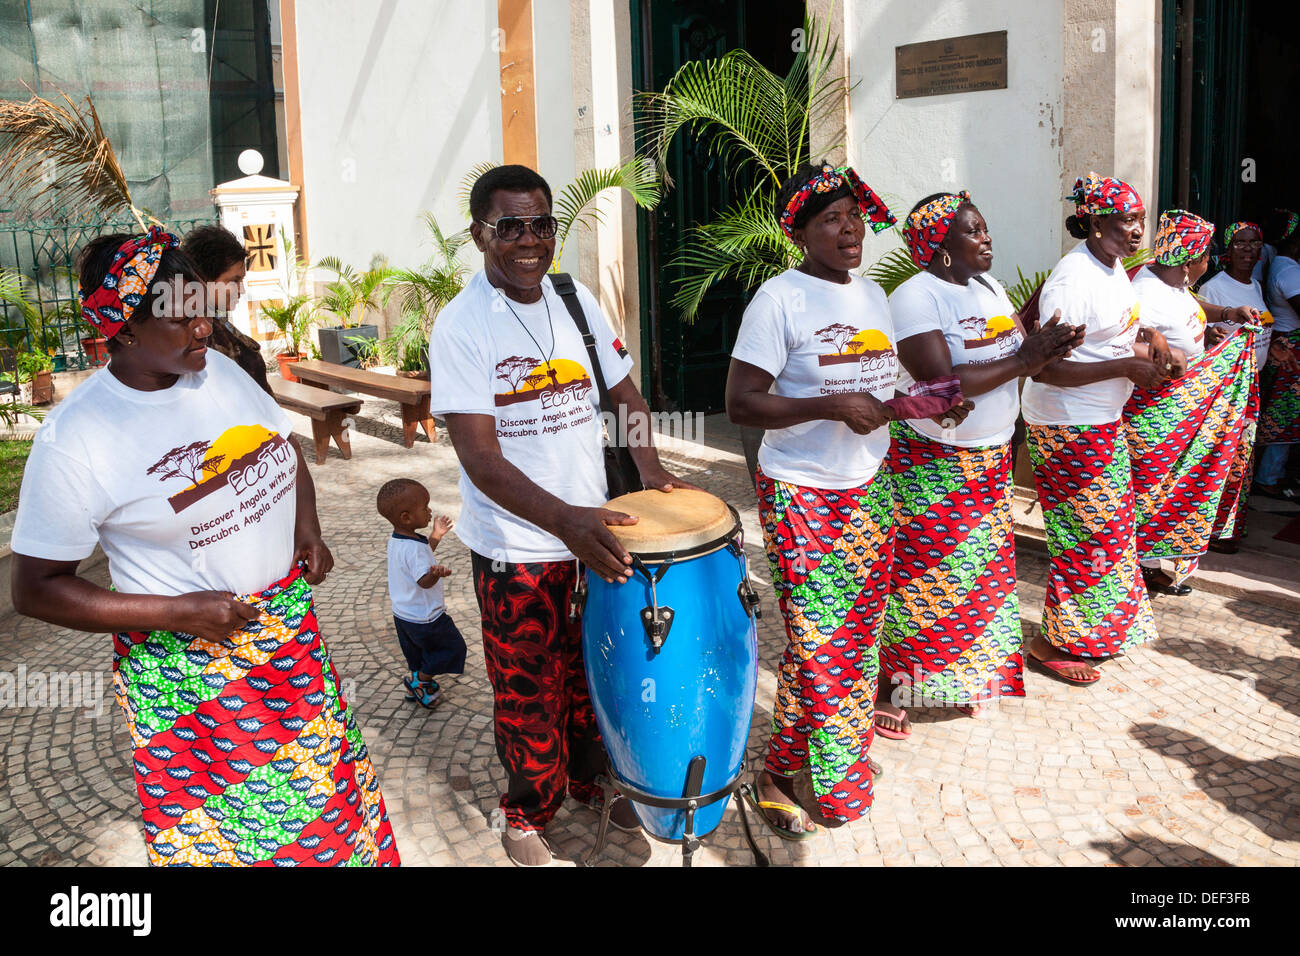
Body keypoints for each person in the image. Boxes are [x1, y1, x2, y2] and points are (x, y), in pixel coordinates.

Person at [9, 228, 398, 866]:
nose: (202, 330)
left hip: (288, 640)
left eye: (203, 310)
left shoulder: (217, 371)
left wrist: (307, 525)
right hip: (193, 674)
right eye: (181, 317)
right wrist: (177, 612)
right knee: (244, 841)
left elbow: (281, 445)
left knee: (335, 819)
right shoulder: (76, 439)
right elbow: (35, 589)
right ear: (123, 330)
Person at [427, 164, 690, 866]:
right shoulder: (461, 326)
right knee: (529, 687)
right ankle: (524, 811)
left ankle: (591, 779)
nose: (528, 240)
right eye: (508, 226)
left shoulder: (574, 300)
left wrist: (651, 468)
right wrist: (565, 521)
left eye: (541, 224)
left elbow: (626, 395)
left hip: (593, 531)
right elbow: (481, 459)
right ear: (479, 234)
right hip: (517, 545)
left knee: (599, 666)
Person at [725, 161, 966, 838]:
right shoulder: (778, 301)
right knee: (819, 637)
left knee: (851, 638)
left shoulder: (871, 298)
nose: (850, 228)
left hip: (870, 489)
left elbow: (881, 394)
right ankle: (835, 778)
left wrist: (935, 403)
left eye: (853, 216)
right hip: (802, 492)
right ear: (798, 233)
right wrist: (830, 405)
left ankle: (782, 766)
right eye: (830, 218)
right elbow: (740, 403)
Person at [876, 191, 1079, 736]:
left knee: (977, 579)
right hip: (932, 459)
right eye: (973, 231)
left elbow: (1017, 350)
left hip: (989, 455)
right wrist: (1025, 357)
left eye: (985, 228)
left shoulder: (988, 287)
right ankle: (889, 685)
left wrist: (1047, 344)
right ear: (941, 247)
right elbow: (944, 385)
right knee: (919, 578)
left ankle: (954, 677)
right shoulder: (915, 298)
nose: (987, 237)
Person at [1019, 173, 1168, 686]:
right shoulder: (1074, 278)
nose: (1138, 231)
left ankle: (1086, 633)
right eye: (1129, 220)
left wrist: (1147, 337)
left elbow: (1108, 333)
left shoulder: (1111, 269)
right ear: (1098, 221)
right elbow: (1043, 368)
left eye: (1141, 220)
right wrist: (1126, 368)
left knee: (1105, 533)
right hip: (1066, 424)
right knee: (1086, 536)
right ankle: (1050, 643)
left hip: (1098, 421)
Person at [1125, 210, 1259, 596]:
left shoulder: (1173, 285)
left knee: (1167, 488)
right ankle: (1138, 566)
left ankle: (1149, 562)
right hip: (1154, 413)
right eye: (1206, 256)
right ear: (1189, 261)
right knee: (1151, 486)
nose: (1208, 262)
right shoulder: (1145, 294)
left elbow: (1193, 305)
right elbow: (1132, 343)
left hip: (1181, 413)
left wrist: (1225, 316)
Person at [1196, 221, 1273, 550]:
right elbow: (1203, 337)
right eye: (1240, 243)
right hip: (1226, 389)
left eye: (1254, 243)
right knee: (1229, 457)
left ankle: (1229, 527)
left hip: (1251, 383)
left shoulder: (1255, 285)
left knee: (1243, 458)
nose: (1247, 250)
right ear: (1227, 250)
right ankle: (1214, 531)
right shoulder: (1214, 289)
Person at [377, 477, 466, 708]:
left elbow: (421, 557)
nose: (429, 511)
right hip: (426, 617)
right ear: (406, 517)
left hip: (403, 614)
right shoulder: (414, 547)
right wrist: (435, 573)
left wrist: (436, 535)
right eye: (424, 507)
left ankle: (418, 677)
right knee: (452, 648)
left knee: (416, 654)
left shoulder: (399, 540)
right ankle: (421, 683)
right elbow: (424, 580)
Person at [180, 224, 272, 394]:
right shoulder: (191, 341)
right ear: (202, 279)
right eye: (234, 281)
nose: (241, 290)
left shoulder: (220, 331)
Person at [1256, 214, 1300, 500]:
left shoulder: (1282, 266)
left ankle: (1274, 473)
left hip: (1284, 342)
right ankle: (1268, 477)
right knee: (1285, 414)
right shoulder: (1288, 271)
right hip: (1289, 349)